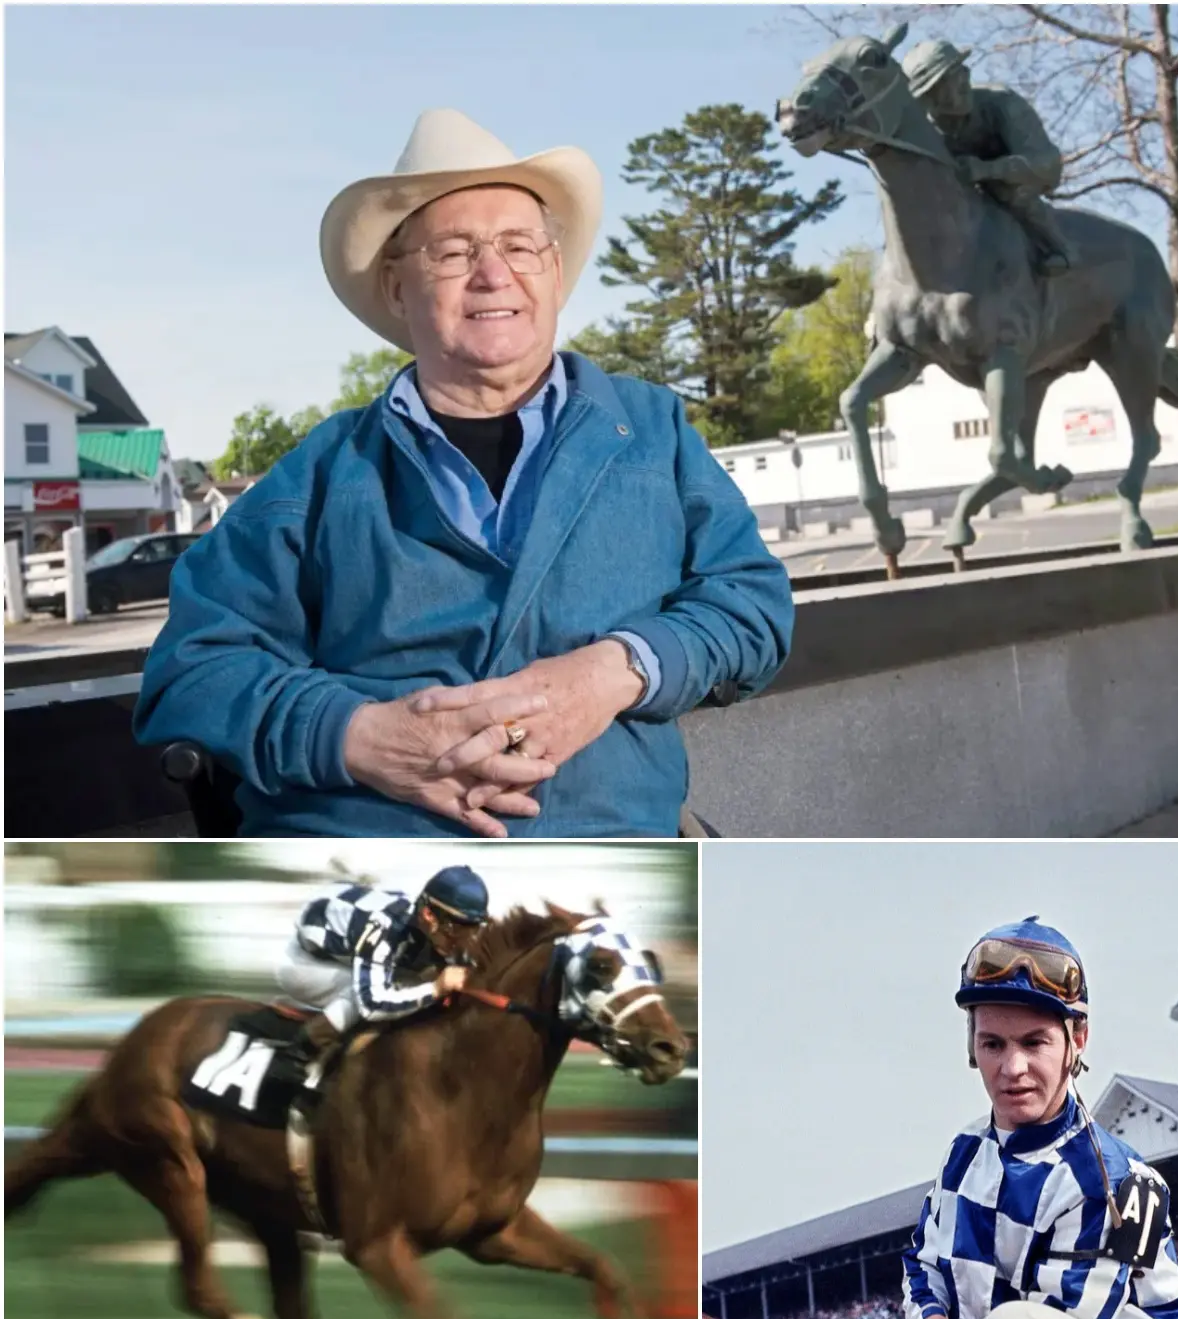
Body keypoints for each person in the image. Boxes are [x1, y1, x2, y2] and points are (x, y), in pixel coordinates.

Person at [133, 109, 794, 838]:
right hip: (362, 858)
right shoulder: (320, 473)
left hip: (607, 849)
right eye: (453, 252)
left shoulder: (653, 435)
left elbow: (751, 606)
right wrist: (357, 737)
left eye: (520, 246)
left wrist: (618, 670)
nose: (492, 274)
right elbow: (191, 671)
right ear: (395, 287)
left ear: (553, 272)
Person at [894, 917, 1178, 1319]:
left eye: (1034, 1043)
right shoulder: (963, 1154)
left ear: (1078, 1041)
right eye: (993, 1044)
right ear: (973, 1047)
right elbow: (920, 1261)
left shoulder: (1119, 1181)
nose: (1012, 1069)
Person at [276, 864, 492, 1078]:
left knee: (416, 978)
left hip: (344, 922)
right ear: (428, 915)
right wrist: (436, 989)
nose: (463, 940)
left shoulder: (423, 922)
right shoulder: (383, 927)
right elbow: (371, 1004)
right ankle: (300, 1056)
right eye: (456, 929)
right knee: (370, 993)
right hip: (302, 962)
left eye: (471, 928)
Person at [901, 40, 1079, 276]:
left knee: (1011, 193)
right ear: (927, 98)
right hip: (958, 196)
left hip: (1012, 183)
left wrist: (987, 170)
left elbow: (1048, 163)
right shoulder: (923, 130)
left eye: (961, 74)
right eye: (944, 84)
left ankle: (1059, 248)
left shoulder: (1003, 104)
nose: (961, 85)